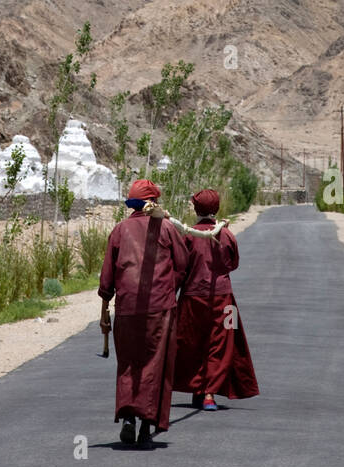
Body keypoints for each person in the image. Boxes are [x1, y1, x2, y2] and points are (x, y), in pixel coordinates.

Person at [99, 178, 189, 448]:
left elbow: (107, 279)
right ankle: (146, 428)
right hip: (159, 310)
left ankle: (128, 419)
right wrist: (168, 288)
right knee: (154, 364)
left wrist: (104, 311)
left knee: (128, 364)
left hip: (126, 310)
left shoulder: (119, 230)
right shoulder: (167, 228)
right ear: (154, 202)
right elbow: (183, 263)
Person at [172, 188, 259, 411]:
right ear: (216, 209)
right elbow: (233, 263)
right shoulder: (227, 235)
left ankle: (201, 390)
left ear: (196, 208)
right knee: (221, 344)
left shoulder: (188, 235)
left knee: (193, 342)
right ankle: (208, 393)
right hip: (224, 301)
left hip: (192, 299)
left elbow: (180, 267)